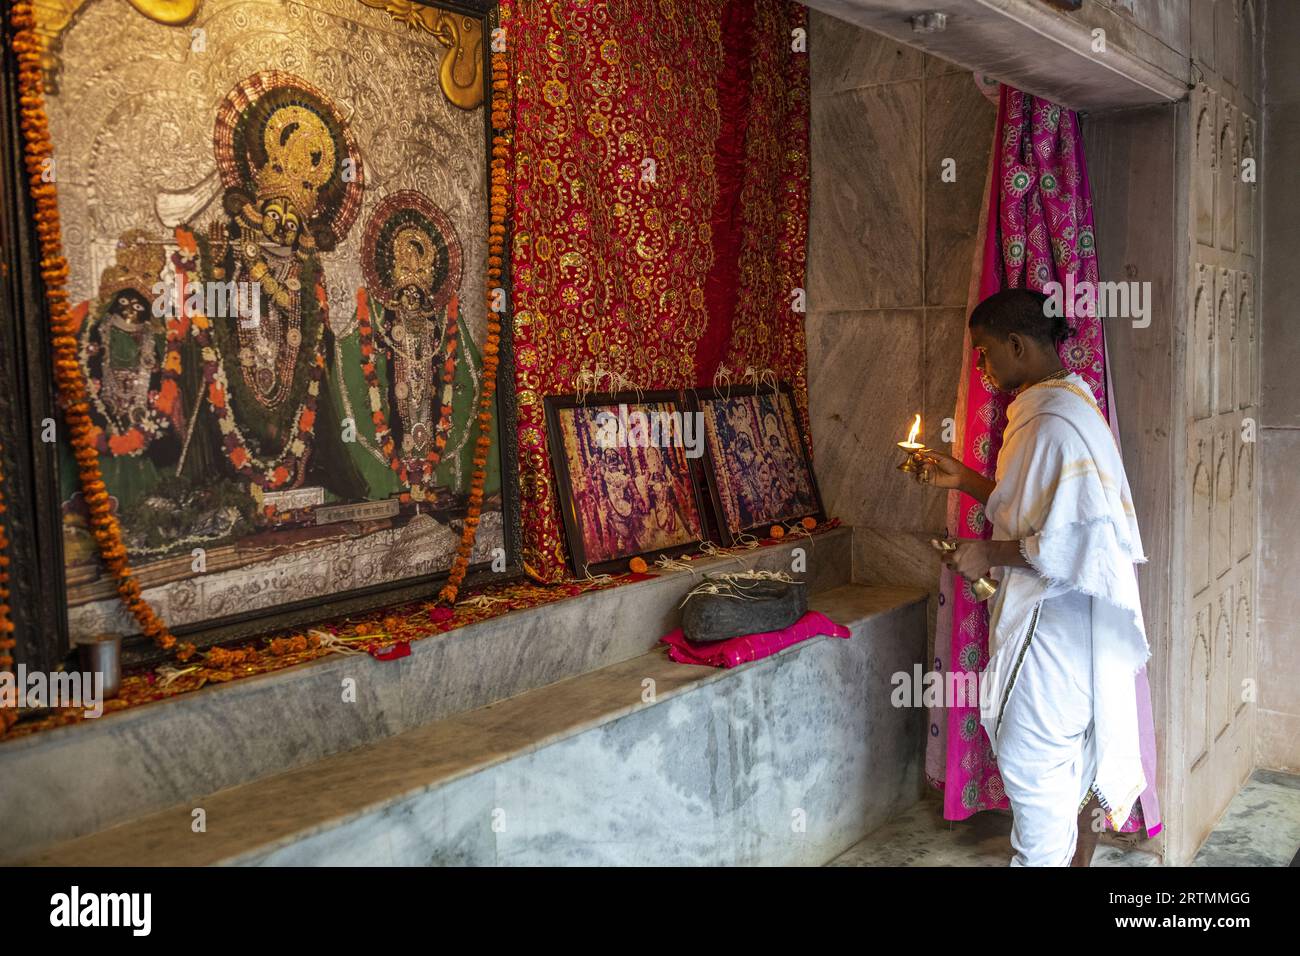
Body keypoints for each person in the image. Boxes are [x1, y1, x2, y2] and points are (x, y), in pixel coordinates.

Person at [914, 288, 1149, 867]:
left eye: (986, 352)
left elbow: (1072, 542)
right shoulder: (1071, 404)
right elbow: (1045, 511)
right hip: (1081, 630)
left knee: (1034, 765)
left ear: (1017, 344)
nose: (983, 367)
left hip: (1053, 636)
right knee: (1069, 773)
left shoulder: (1049, 422)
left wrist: (984, 553)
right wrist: (965, 479)